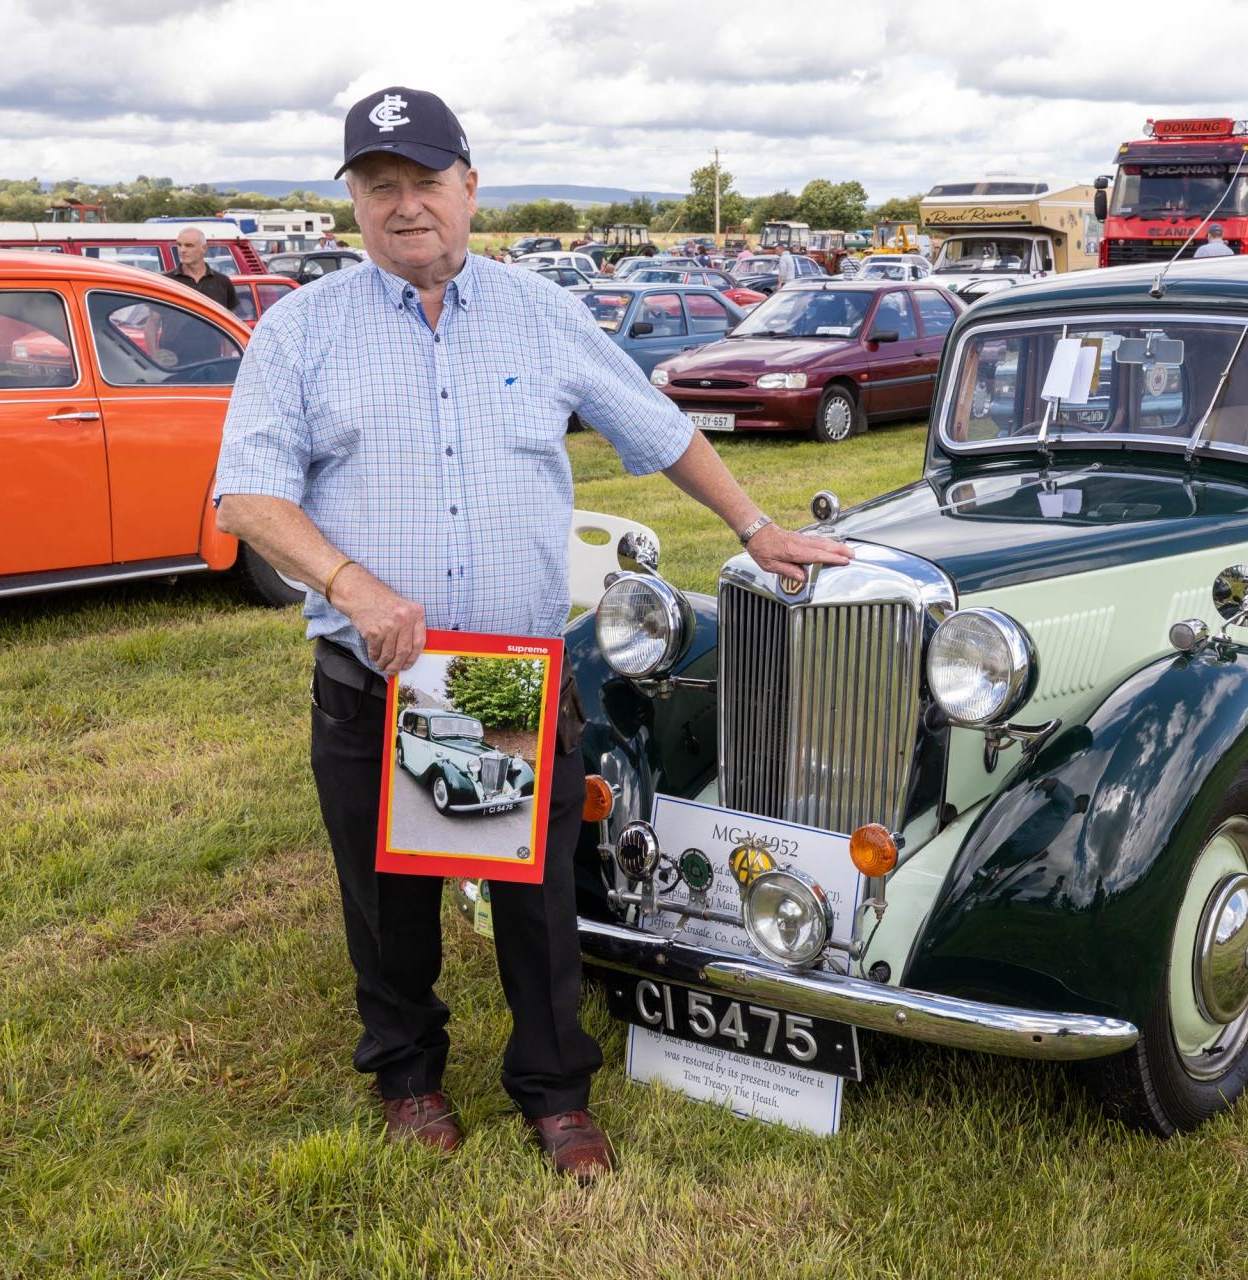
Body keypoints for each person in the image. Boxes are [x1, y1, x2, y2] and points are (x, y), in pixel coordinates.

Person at [210, 86, 850, 1183]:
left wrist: (757, 525)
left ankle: (555, 1091)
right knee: (389, 900)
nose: (406, 206)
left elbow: (658, 430)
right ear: (353, 203)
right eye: (379, 186)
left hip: (502, 679)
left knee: (534, 896)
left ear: (470, 188)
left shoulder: (540, 312)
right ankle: (408, 1077)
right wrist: (352, 585)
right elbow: (247, 498)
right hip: (375, 676)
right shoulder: (299, 330)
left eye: (426, 181)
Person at [165, 227, 238, 311]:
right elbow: (155, 317)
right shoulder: (166, 281)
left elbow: (231, 315)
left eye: (189, 245)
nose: (182, 250)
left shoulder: (223, 281)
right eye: (179, 245)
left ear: (204, 248)